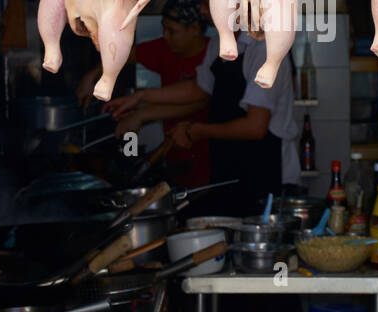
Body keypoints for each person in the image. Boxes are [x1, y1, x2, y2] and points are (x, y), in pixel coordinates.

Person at [107, 24, 300, 216]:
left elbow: (255, 126)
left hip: (268, 177)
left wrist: (197, 130)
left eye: (206, 1)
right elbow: (199, 90)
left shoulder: (265, 47)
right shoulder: (219, 42)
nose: (202, 10)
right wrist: (140, 101)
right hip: (230, 173)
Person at [78, 0, 212, 187]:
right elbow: (125, 55)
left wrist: (141, 111)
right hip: (174, 158)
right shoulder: (165, 50)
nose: (165, 36)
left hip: (209, 160)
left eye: (172, 31)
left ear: (194, 29)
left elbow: (200, 99)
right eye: (163, 29)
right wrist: (94, 74)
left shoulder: (213, 56)